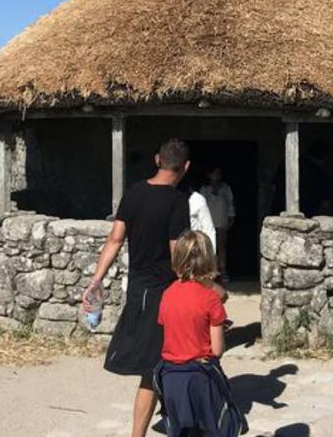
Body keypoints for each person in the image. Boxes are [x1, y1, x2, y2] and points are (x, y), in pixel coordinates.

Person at [82, 139, 192, 437]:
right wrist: (196, 286)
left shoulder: (134, 193)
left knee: (160, 363)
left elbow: (115, 239)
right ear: (186, 167)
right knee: (157, 366)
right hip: (166, 292)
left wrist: (96, 280)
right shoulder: (178, 201)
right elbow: (176, 251)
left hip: (139, 288)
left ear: (157, 159)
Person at [153, 230, 245, 437]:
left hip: (170, 376)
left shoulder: (167, 295)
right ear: (209, 259)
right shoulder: (210, 299)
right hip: (200, 377)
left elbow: (170, 331)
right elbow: (218, 349)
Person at [199, 167, 235, 276]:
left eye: (219, 173)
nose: (217, 175)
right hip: (208, 223)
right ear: (209, 175)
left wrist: (231, 217)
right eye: (215, 173)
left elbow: (230, 203)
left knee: (221, 246)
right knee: (208, 247)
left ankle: (222, 269)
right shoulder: (204, 190)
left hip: (222, 221)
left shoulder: (225, 188)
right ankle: (209, 270)